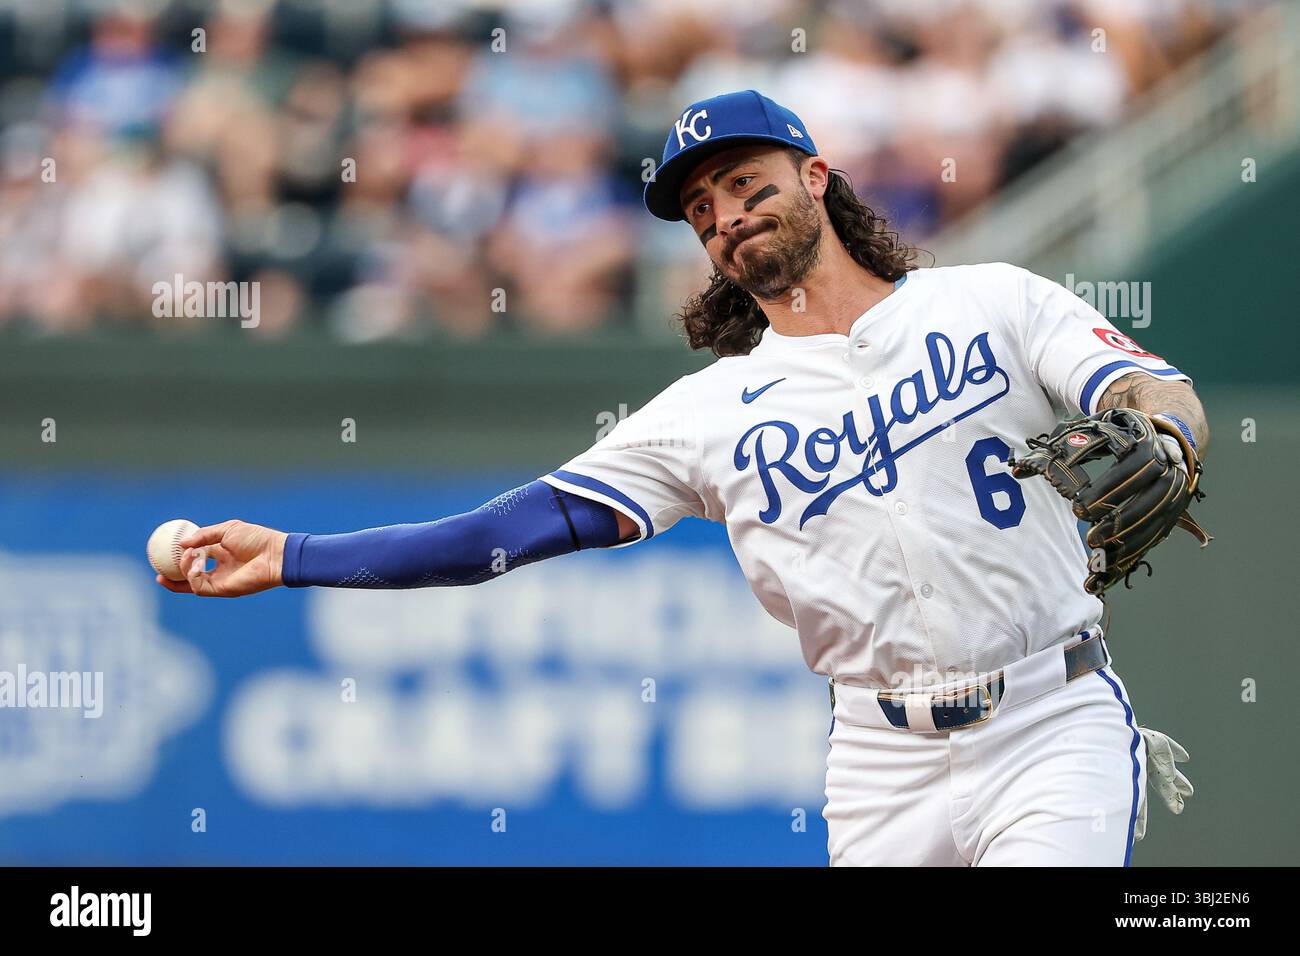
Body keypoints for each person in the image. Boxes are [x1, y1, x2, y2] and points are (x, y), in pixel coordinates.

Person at [159, 90, 1205, 866]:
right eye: (701, 207)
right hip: (879, 763)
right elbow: (497, 534)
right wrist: (292, 555)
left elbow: (1157, 390)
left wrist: (1167, 438)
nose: (726, 213)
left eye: (746, 181)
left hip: (1047, 718)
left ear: (815, 175)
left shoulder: (989, 301)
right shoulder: (709, 412)